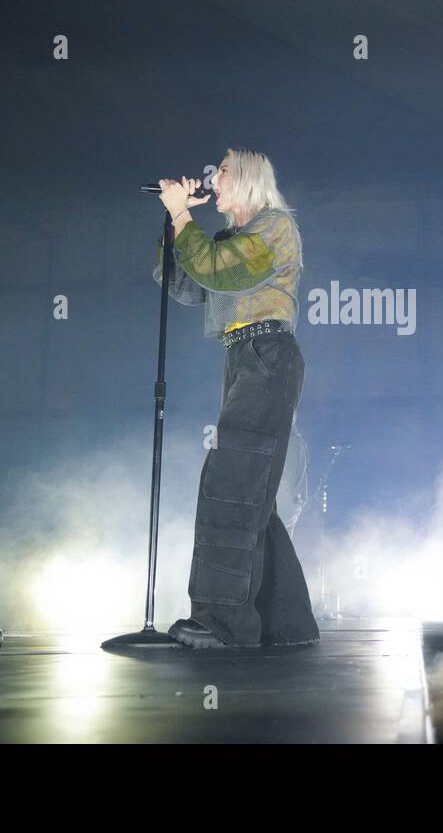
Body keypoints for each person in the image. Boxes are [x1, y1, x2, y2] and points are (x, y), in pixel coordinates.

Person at [152, 149, 320, 648]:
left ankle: (223, 624)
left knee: (231, 482)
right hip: (243, 355)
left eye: (221, 171)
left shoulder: (273, 228)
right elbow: (184, 282)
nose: (212, 177)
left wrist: (184, 214)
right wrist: (173, 218)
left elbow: (220, 270)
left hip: (267, 351)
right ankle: (287, 625)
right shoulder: (232, 238)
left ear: (246, 179)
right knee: (251, 491)